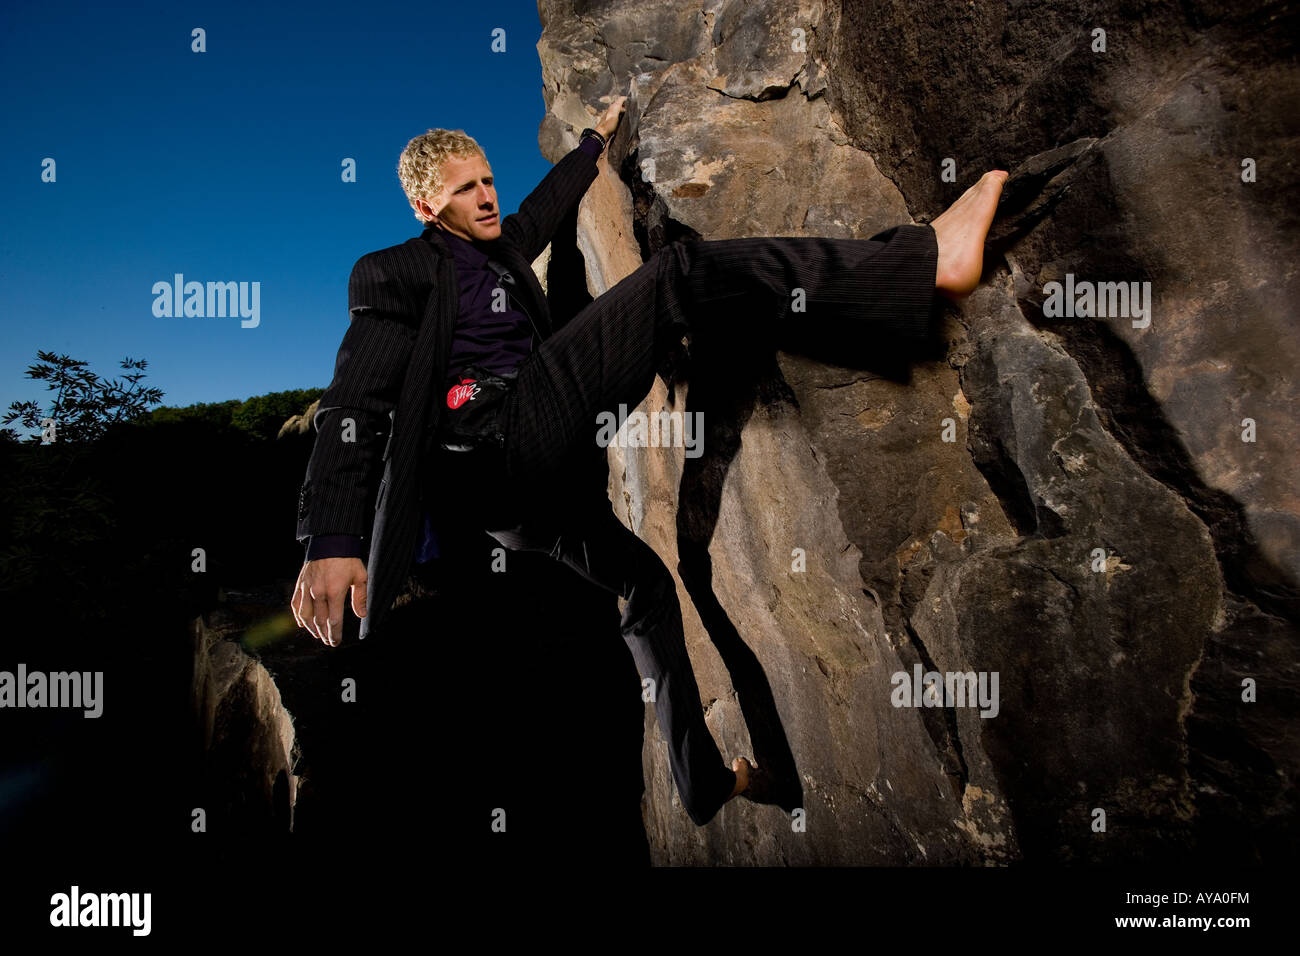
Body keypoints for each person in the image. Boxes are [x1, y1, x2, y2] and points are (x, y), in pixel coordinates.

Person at [291, 92, 1007, 826]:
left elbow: (550, 200)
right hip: (498, 437)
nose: (485, 196)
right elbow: (356, 398)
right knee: (676, 275)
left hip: (539, 494)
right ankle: (926, 263)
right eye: (463, 189)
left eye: (487, 180)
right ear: (423, 206)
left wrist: (597, 137)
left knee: (645, 586)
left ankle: (701, 779)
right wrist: (334, 537)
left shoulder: (504, 247)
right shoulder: (394, 272)